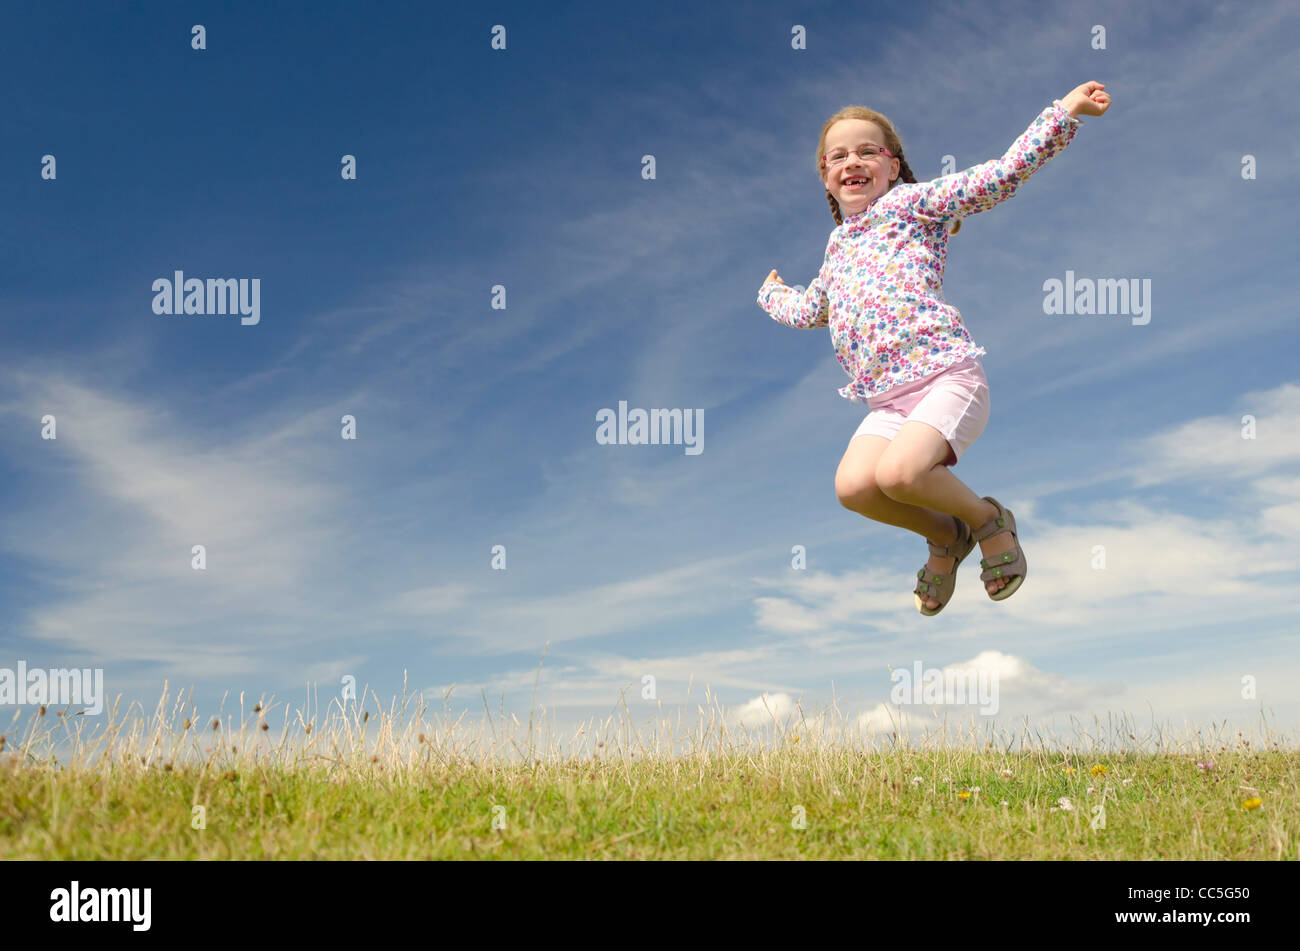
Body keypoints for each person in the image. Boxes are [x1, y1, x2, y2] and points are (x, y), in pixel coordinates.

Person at [757, 82, 1111, 615]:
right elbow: (813, 309)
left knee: (901, 474)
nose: (852, 160)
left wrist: (1063, 113)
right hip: (887, 402)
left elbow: (997, 177)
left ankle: (989, 521)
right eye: (837, 156)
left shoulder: (912, 205)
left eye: (867, 150)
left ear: (893, 166)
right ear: (828, 178)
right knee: (856, 488)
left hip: (945, 376)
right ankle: (946, 537)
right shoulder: (836, 248)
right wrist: (772, 294)